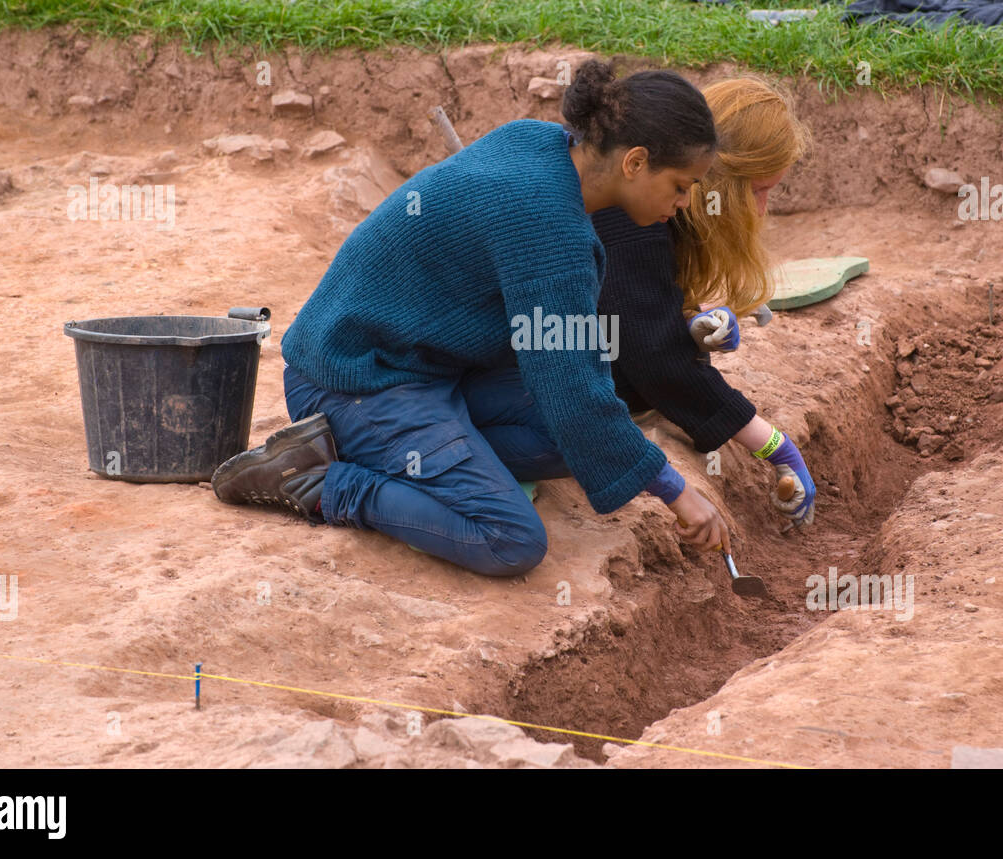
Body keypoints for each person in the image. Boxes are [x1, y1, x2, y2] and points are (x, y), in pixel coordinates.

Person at [211, 60, 735, 575]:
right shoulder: (549, 229)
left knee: (585, 441)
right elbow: (571, 386)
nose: (685, 203)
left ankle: (427, 457)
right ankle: (322, 482)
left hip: (427, 366)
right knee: (510, 540)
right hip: (355, 380)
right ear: (635, 161)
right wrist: (676, 490)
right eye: (682, 185)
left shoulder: (539, 143)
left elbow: (574, 391)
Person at [590, 76, 818, 530]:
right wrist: (773, 445)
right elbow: (653, 361)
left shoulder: (652, 194)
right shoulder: (630, 211)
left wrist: (688, 323)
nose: (760, 210)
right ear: (718, 177)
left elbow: (632, 312)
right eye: (757, 190)